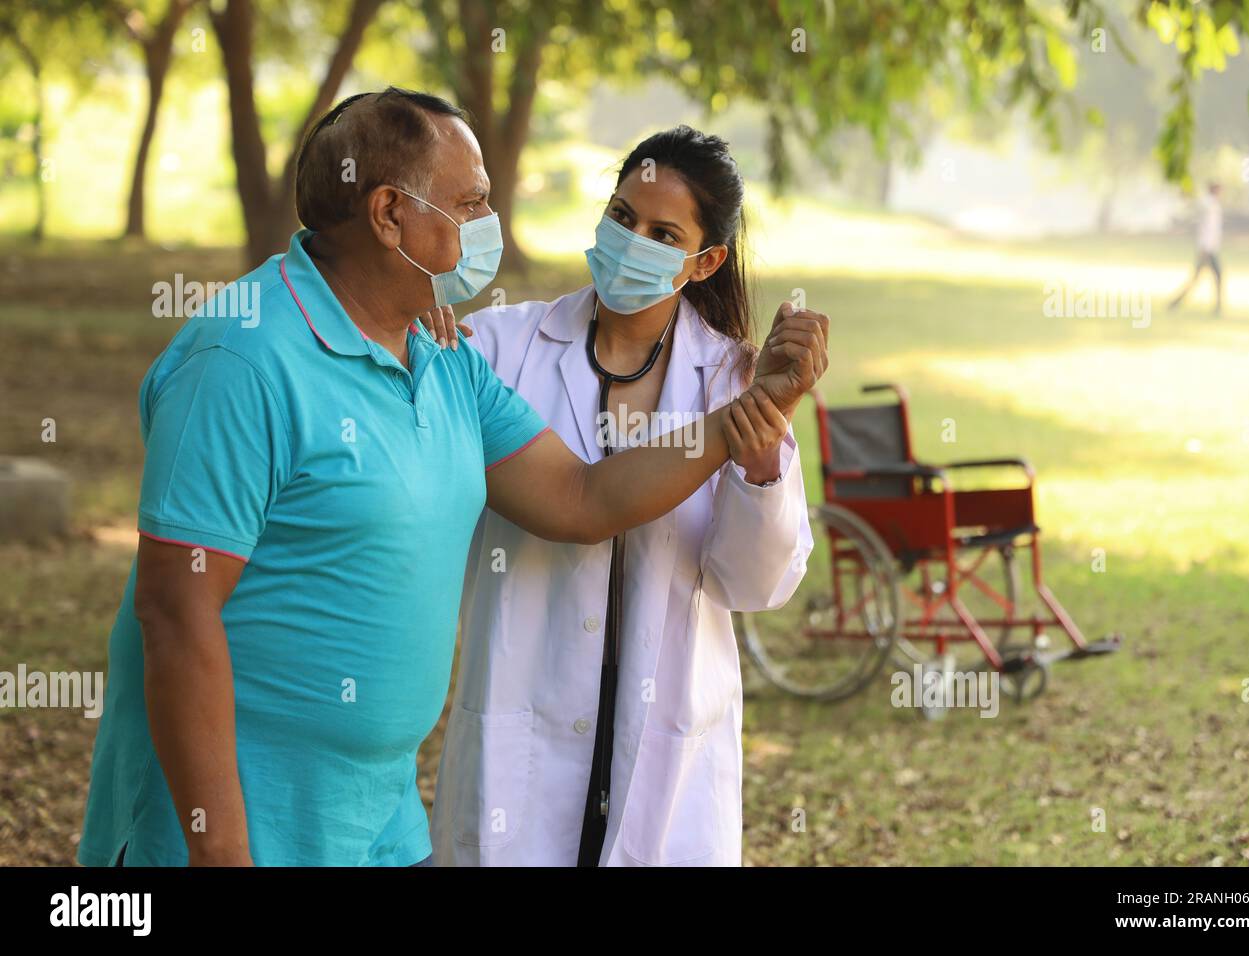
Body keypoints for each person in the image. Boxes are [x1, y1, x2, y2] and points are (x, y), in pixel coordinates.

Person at [79, 91, 828, 867]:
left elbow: (582, 498)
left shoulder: (442, 360)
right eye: (469, 202)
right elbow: (174, 613)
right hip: (245, 824)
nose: (486, 224)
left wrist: (753, 410)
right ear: (389, 214)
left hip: (380, 822)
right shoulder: (241, 359)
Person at [424, 126, 823, 866]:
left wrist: (762, 441)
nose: (631, 240)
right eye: (621, 217)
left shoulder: (735, 379)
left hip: (666, 742)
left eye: (662, 233)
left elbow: (755, 583)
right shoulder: (499, 349)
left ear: (705, 261)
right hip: (522, 734)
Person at [1169, 181, 1224, 316]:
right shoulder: (1208, 205)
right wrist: (1204, 248)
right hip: (1207, 249)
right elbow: (1205, 229)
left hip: (1211, 248)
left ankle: (1176, 302)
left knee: (1202, 278)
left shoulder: (1214, 205)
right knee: (1211, 276)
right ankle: (1216, 307)